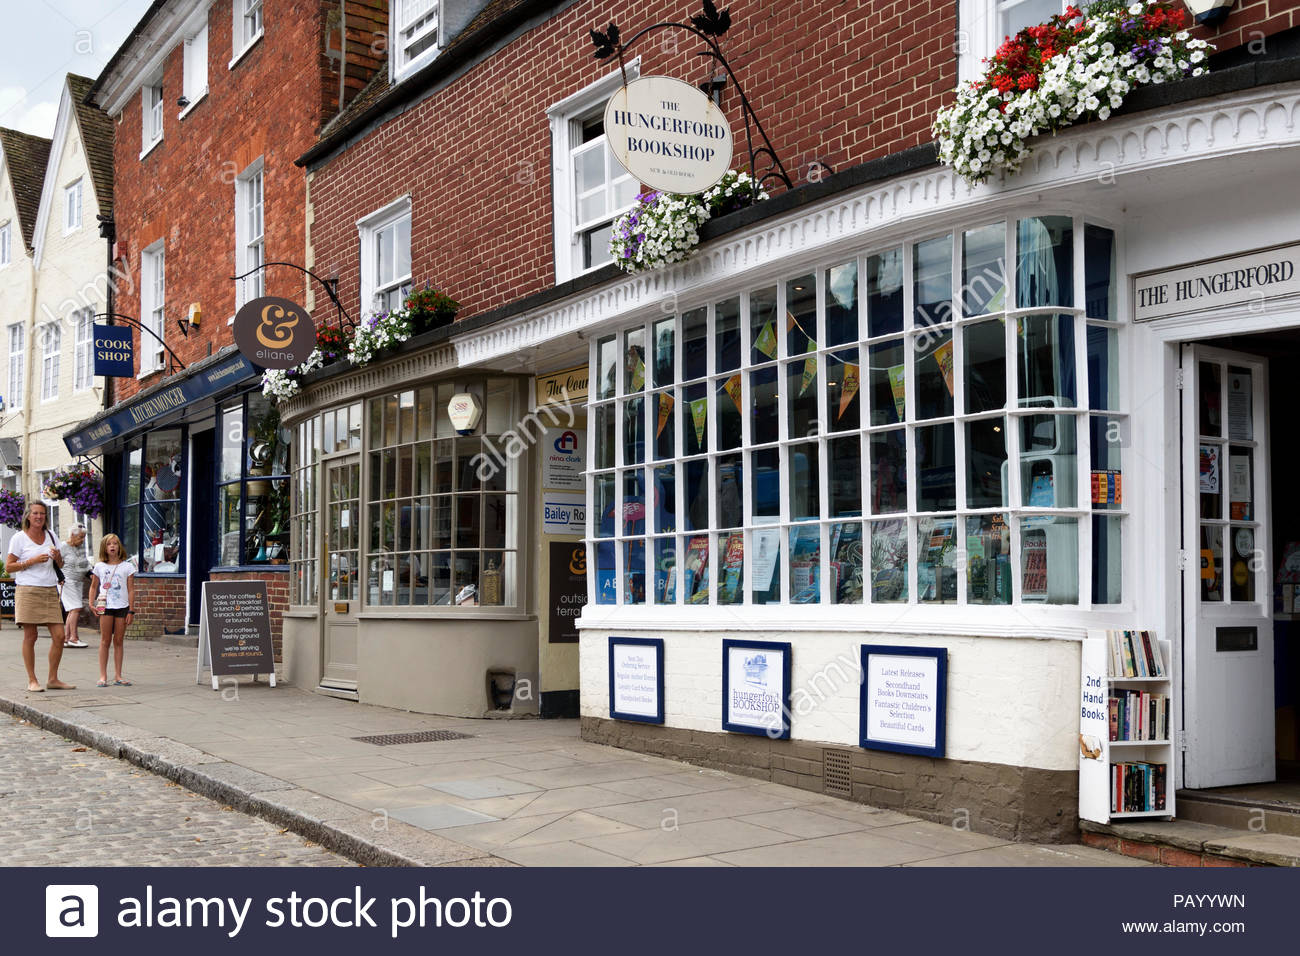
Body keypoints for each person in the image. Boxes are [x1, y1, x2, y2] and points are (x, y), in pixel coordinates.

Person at [5, 501, 74, 692]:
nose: (39, 516)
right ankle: (32, 680)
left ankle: (53, 679)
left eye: (42, 513)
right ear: (28, 516)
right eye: (35, 513)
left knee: (59, 636)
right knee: (31, 636)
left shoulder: (51, 535)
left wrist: (57, 557)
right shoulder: (19, 538)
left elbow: (60, 564)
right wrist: (32, 560)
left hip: (49, 590)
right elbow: (9, 567)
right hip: (28, 590)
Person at [87, 534, 135, 688]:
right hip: (106, 607)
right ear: (104, 547)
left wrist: (131, 610)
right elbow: (93, 586)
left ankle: (118, 676)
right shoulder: (99, 566)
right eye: (109, 544)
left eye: (115, 543)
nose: (112, 546)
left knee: (119, 641)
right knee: (105, 640)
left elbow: (131, 589)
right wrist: (91, 603)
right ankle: (103, 676)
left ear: (119, 547)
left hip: (122, 607)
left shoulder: (127, 567)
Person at [59, 524, 92, 648]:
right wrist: (59, 578)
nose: (82, 540)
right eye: (80, 537)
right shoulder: (63, 546)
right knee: (76, 608)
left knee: (73, 609)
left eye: (84, 537)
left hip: (78, 581)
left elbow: (85, 564)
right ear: (72, 535)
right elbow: (55, 563)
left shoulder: (80, 548)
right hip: (66, 581)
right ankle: (74, 638)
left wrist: (91, 574)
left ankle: (66, 638)